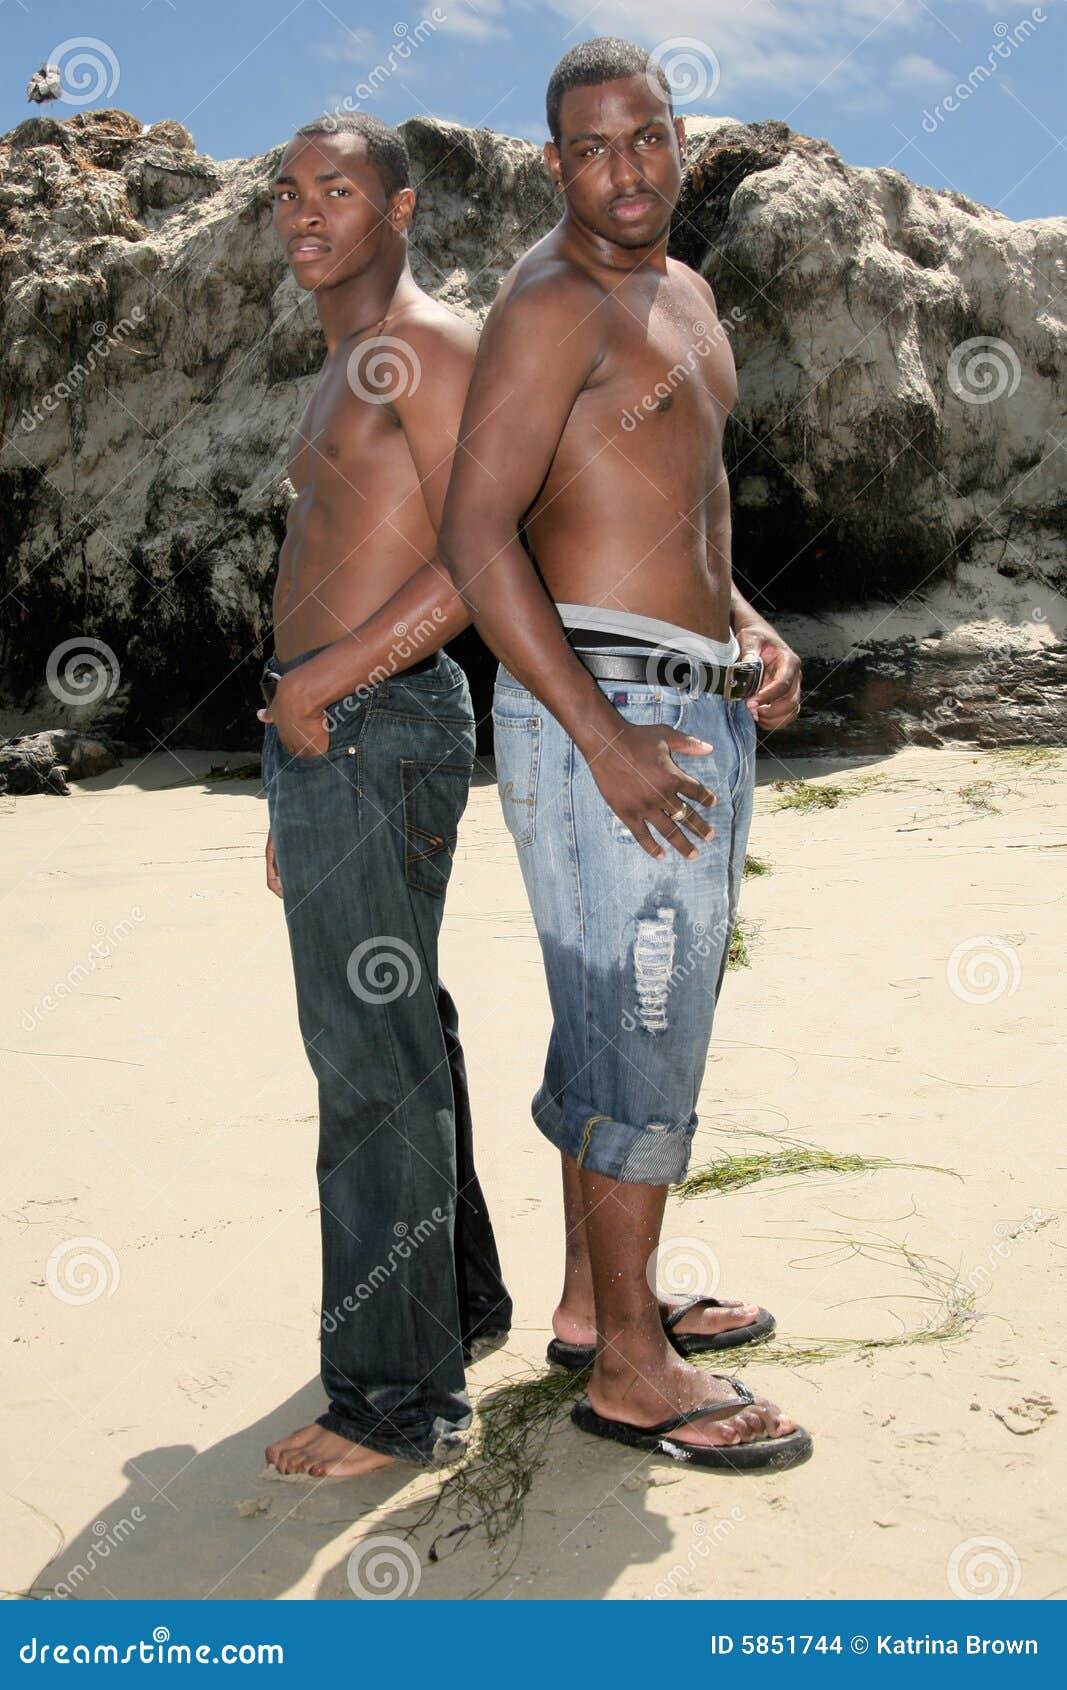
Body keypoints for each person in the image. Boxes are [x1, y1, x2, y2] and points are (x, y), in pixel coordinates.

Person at [434, 38, 812, 1472]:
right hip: (603, 712)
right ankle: (633, 1380)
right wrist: (603, 737)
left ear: (675, 132)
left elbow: (678, 515)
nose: (626, 170)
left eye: (645, 137)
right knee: (641, 1021)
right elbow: (478, 537)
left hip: (689, 698)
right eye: (592, 150)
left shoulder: (690, 296)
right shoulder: (549, 302)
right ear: (554, 163)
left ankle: (604, 1304)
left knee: (625, 1009)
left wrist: (751, 635)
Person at [257, 113, 511, 1480]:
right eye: (290, 192)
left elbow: (488, 555)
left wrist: (326, 690)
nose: (305, 211)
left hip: (374, 722)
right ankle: (454, 1315)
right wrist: (286, 771)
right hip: (328, 741)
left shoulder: (437, 342)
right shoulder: (338, 365)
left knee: (371, 1071)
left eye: (337, 190)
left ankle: (396, 1403)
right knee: (405, 1033)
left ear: (400, 209)